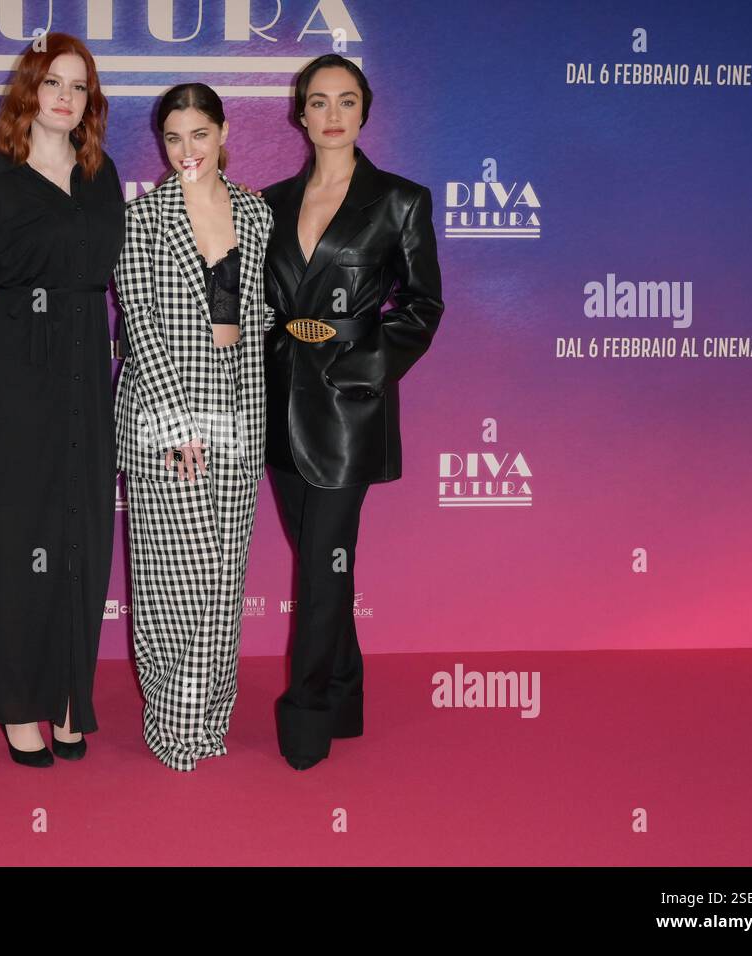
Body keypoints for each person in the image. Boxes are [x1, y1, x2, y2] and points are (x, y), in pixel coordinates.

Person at [0, 34, 124, 768]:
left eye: (79, 86)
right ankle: (16, 704)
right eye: (53, 83)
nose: (66, 97)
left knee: (80, 545)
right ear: (28, 93)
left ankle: (70, 695)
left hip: (83, 387)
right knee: (12, 550)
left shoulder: (103, 179)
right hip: (9, 385)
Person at [260, 54, 445, 770]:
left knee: (320, 569)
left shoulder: (400, 201)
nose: (332, 115)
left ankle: (306, 715)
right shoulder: (268, 203)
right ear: (299, 113)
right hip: (277, 405)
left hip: (345, 411)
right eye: (317, 101)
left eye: (345, 101)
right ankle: (345, 692)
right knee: (323, 562)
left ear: (364, 111)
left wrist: (361, 361)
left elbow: (422, 306)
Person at [113, 83, 276, 771]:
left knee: (222, 580)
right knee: (172, 581)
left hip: (238, 410)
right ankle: (173, 726)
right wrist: (178, 424)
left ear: (223, 132)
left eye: (199, 135)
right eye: (174, 138)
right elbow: (138, 325)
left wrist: (246, 327)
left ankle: (210, 720)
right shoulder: (143, 219)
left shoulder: (255, 213)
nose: (187, 151)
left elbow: (261, 311)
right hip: (162, 414)